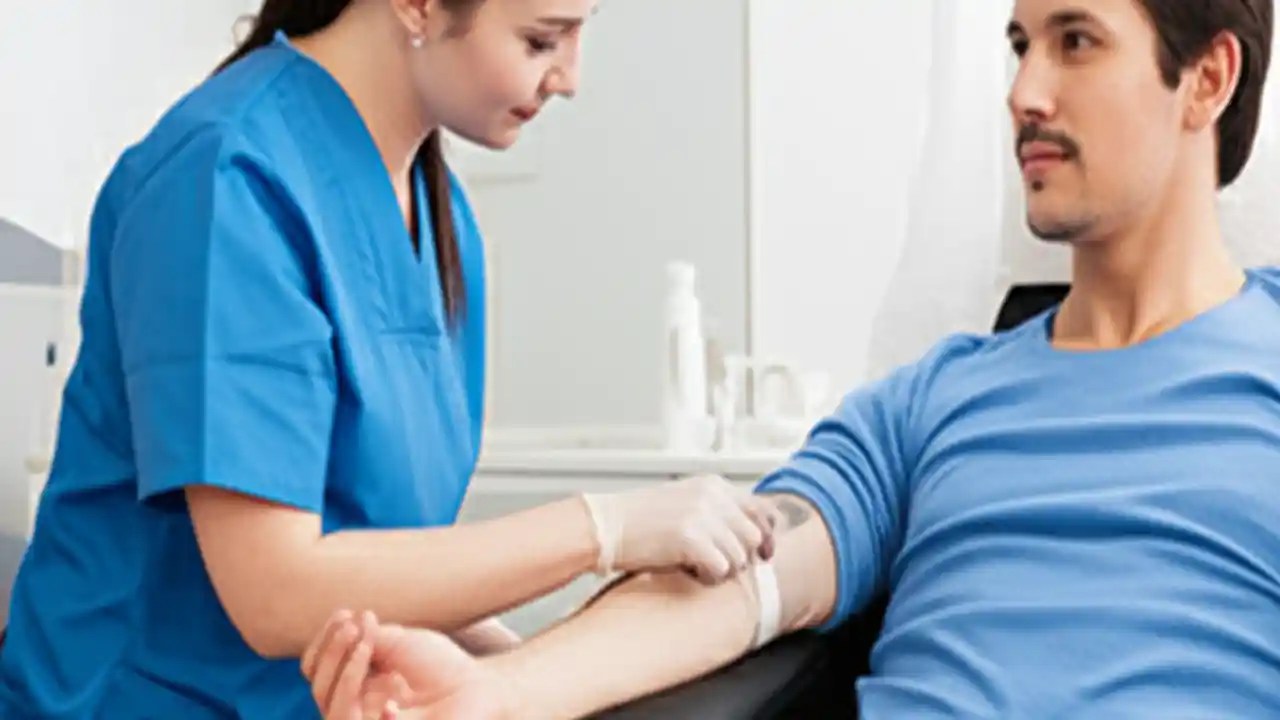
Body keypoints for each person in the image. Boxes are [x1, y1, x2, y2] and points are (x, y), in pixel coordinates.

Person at [303, 0, 1280, 717]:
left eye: (1075, 42)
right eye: (1018, 47)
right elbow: (744, 572)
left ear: (1206, 78)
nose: (1023, 93)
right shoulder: (934, 400)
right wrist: (490, 697)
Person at [0, 0, 782, 717]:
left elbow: (376, 538)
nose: (571, 78)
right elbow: (276, 592)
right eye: (541, 39)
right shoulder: (224, 179)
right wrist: (603, 529)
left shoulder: (439, 218)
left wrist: (529, 679)